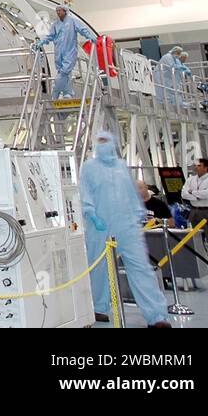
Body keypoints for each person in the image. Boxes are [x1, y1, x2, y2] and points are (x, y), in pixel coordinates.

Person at [80, 130, 171, 327]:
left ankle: (157, 315)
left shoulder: (122, 167)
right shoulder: (89, 168)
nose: (104, 145)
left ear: (113, 143)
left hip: (127, 226)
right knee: (98, 268)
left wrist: (138, 214)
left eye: (106, 141)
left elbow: (132, 194)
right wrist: (92, 215)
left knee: (141, 268)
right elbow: (85, 193)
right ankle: (99, 307)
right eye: (100, 141)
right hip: (100, 227)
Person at [33, 5, 97, 100]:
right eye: (57, 11)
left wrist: (90, 36)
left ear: (65, 11)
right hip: (58, 52)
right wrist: (41, 42)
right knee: (64, 73)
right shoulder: (55, 24)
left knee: (64, 72)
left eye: (60, 10)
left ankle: (55, 92)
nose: (58, 12)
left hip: (70, 51)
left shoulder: (72, 21)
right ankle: (68, 93)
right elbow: (50, 36)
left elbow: (82, 29)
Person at [182, 158, 208, 277]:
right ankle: (198, 266)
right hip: (194, 211)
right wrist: (197, 196)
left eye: (199, 165)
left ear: (206, 168)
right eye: (196, 165)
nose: (196, 167)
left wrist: (193, 193)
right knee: (195, 240)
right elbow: (184, 193)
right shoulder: (190, 179)